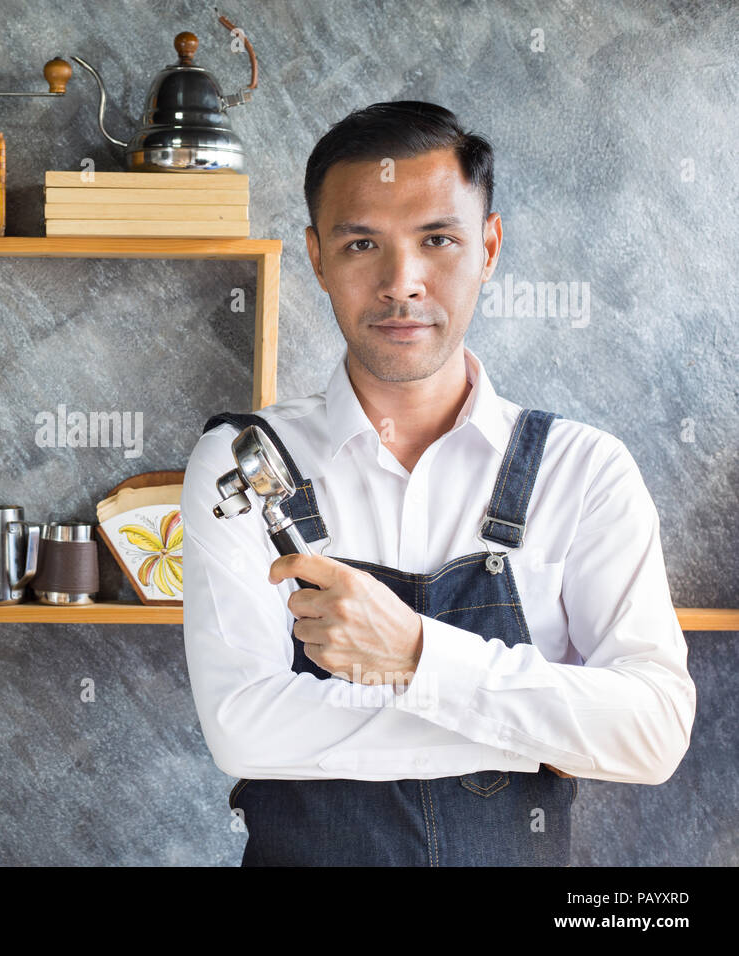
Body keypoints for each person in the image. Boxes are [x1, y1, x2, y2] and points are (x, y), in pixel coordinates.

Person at [181, 100, 697, 866]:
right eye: (363, 244)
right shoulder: (242, 461)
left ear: (487, 246)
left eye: (438, 240)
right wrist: (540, 729)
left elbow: (651, 734)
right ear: (318, 256)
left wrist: (415, 654)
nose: (403, 282)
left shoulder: (583, 471)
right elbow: (243, 728)